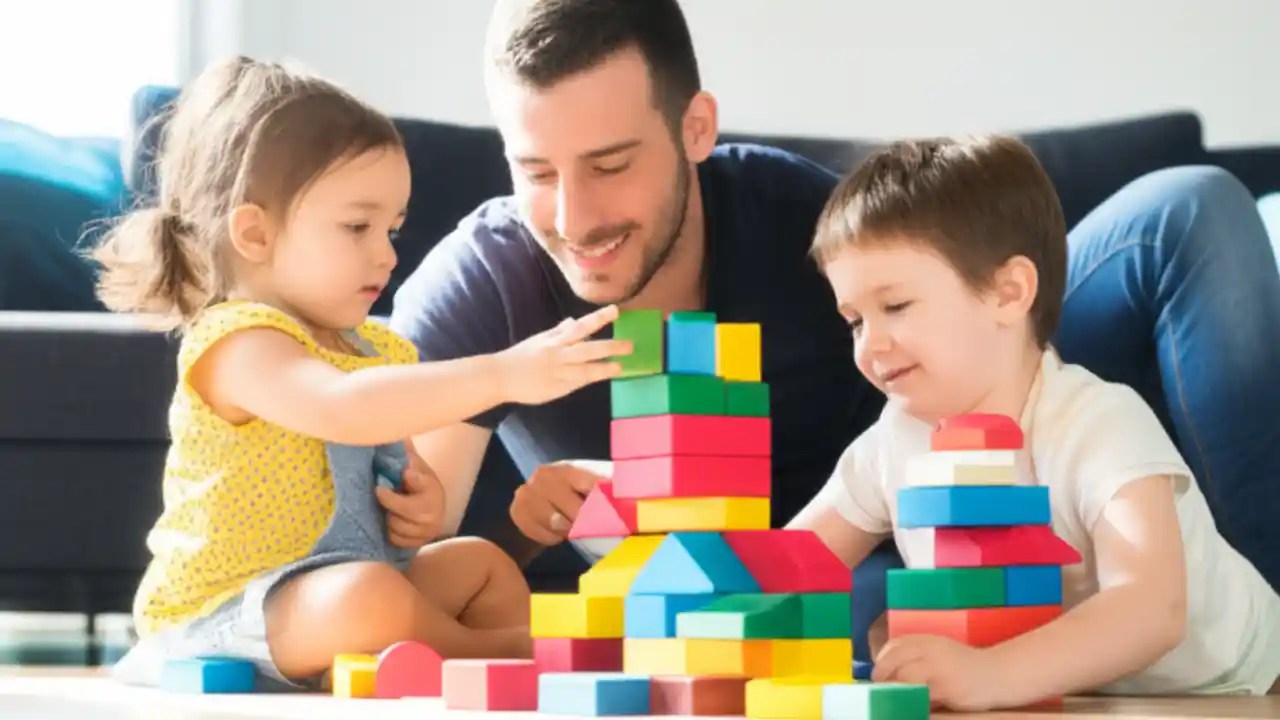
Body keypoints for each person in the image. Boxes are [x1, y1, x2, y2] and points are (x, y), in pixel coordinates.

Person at [388, 0, 1280, 650]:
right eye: (535, 170)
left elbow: (962, 332)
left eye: (611, 164)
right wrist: (540, 526)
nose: (574, 216)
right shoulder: (483, 284)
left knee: (1189, 206)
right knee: (874, 610)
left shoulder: (797, 220)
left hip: (962, 487)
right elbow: (403, 556)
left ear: (696, 127)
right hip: (794, 589)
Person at [94, 56, 628, 690]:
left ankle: (489, 678)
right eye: (357, 227)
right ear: (255, 234)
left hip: (348, 585)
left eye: (392, 228)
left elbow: (393, 465)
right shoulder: (237, 342)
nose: (387, 253)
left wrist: (419, 505)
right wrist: (506, 374)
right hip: (232, 612)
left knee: (479, 565)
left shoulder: (375, 350)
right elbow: (343, 406)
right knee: (366, 595)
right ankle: (499, 650)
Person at [788, 135, 1280, 710]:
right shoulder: (891, 443)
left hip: (1239, 677)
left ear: (1008, 292)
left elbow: (1152, 608)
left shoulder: (1098, 421)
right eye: (853, 321)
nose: (871, 345)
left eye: (895, 306)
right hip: (1085, 697)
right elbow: (795, 561)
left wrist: (991, 675)